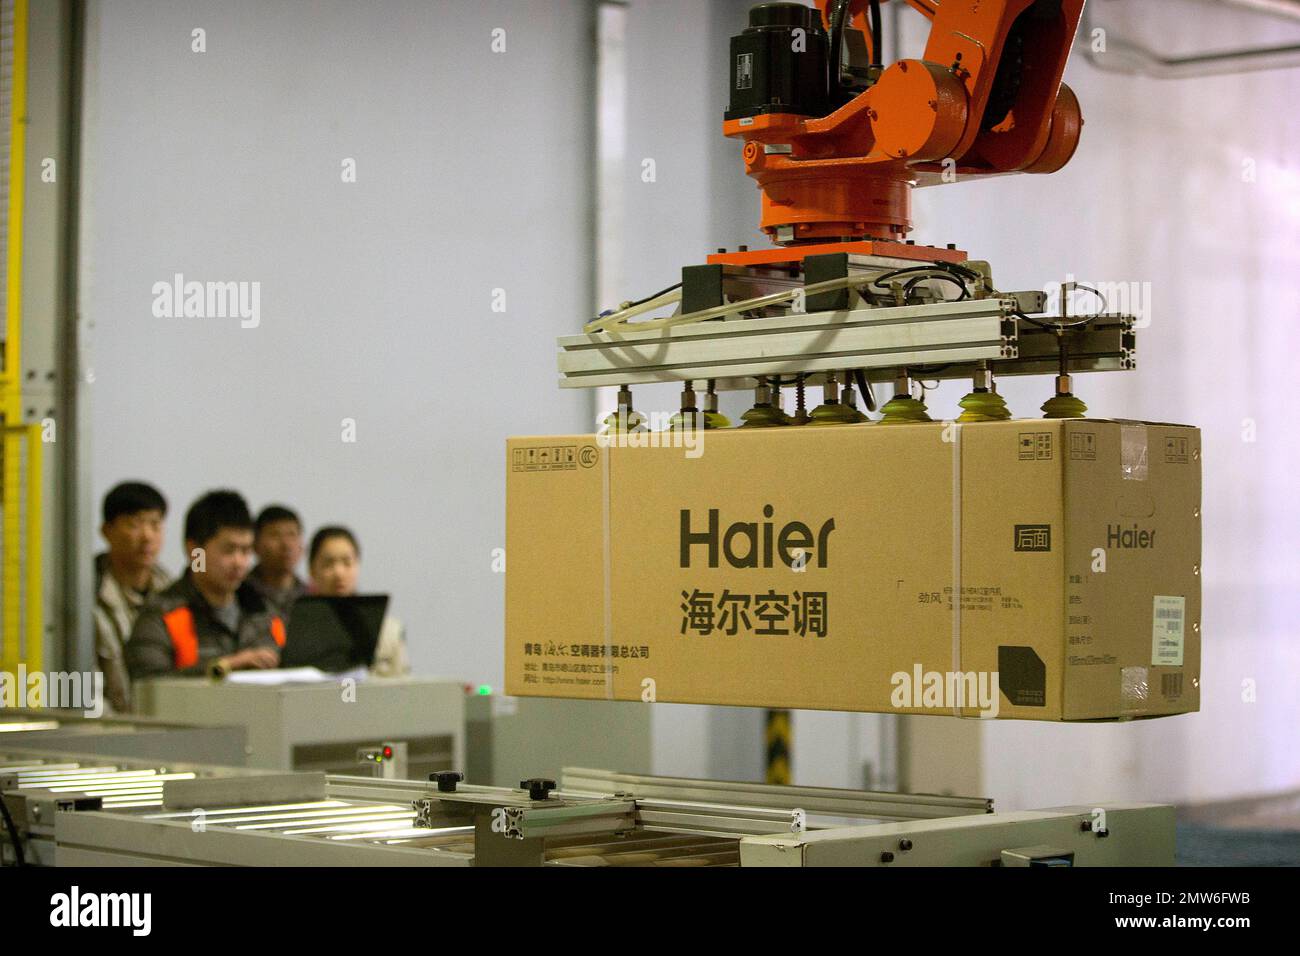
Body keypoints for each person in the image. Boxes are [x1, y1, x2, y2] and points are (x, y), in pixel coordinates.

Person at [126, 490, 285, 681]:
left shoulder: (265, 612)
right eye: (228, 550)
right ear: (195, 552)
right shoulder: (161, 615)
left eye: (245, 551)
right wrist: (225, 667)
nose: (239, 562)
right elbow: (147, 686)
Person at [93, 481, 172, 712]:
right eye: (134, 524)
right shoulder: (86, 597)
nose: (147, 536)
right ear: (107, 531)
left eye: (155, 525)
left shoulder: (175, 597)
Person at [307, 526, 409, 677]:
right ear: (312, 570)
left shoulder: (389, 629)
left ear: (357, 565)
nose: (339, 573)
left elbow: (404, 687)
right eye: (328, 564)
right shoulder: (301, 628)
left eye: (347, 563)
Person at [247, 504, 307, 618]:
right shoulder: (238, 594)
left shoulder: (311, 597)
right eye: (275, 535)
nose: (286, 544)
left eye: (292, 534)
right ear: (255, 544)